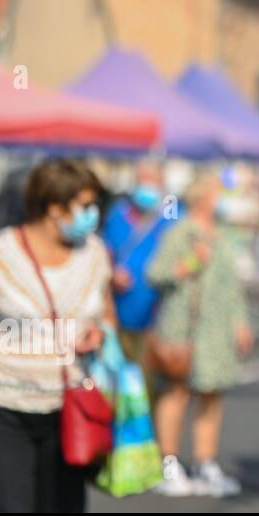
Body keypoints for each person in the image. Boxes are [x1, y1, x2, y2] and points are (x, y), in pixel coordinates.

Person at [0, 159, 111, 512]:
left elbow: (108, 316)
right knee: (9, 505)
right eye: (85, 205)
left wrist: (99, 333)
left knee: (62, 509)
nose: (92, 214)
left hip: (69, 406)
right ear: (53, 207)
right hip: (1, 404)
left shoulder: (95, 254)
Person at [147, 174, 252, 498]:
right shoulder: (180, 231)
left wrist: (241, 322)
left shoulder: (222, 236)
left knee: (211, 394)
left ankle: (206, 462)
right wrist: (191, 262)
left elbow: (232, 286)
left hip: (216, 330)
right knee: (176, 394)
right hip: (183, 328)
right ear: (203, 197)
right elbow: (156, 273)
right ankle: (169, 462)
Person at [102, 159, 174, 386]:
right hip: (119, 311)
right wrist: (112, 274)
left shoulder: (170, 214)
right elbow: (105, 251)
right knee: (118, 379)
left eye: (152, 180)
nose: (147, 187)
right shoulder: (119, 213)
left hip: (157, 315)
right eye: (142, 180)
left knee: (147, 382)